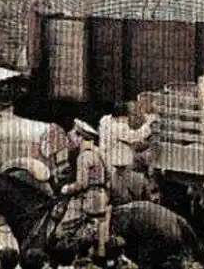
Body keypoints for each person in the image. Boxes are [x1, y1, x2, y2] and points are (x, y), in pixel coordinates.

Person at [58, 120, 111, 258]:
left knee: (64, 227)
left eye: (72, 138)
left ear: (80, 137)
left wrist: (66, 189)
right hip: (103, 195)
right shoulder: (99, 152)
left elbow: (82, 184)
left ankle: (71, 256)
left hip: (90, 199)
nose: (70, 142)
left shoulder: (84, 156)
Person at [98, 102, 155, 180]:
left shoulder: (107, 122)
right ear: (121, 116)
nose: (127, 120)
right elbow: (134, 136)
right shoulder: (117, 127)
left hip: (110, 160)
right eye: (127, 117)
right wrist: (148, 123)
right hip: (115, 165)